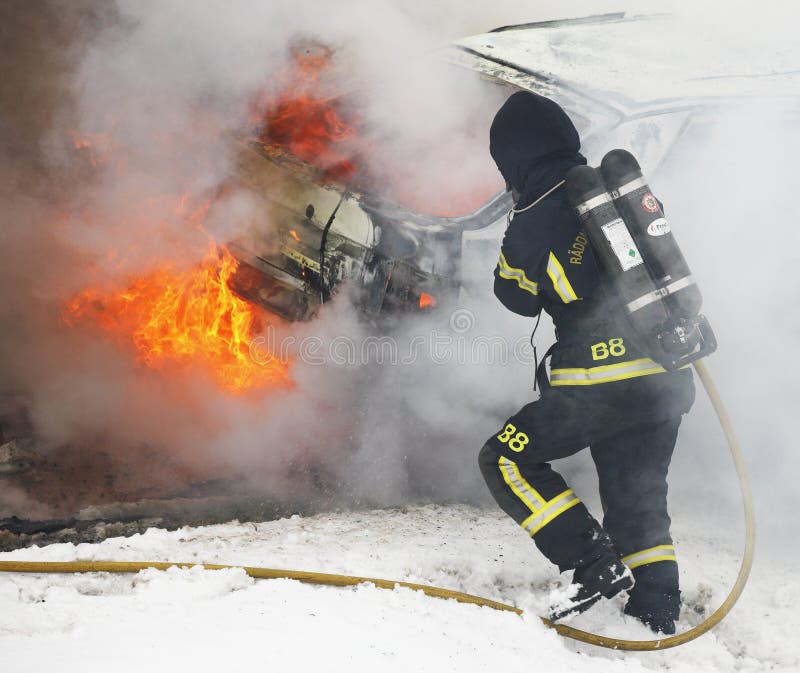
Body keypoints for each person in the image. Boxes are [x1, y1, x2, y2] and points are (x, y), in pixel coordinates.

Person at [478, 91, 695, 634]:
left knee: (504, 459)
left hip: (599, 384)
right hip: (665, 378)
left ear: (514, 159)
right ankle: (656, 615)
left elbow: (514, 294)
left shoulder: (537, 210)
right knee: (637, 499)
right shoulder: (616, 193)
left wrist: (523, 222)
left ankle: (590, 561)